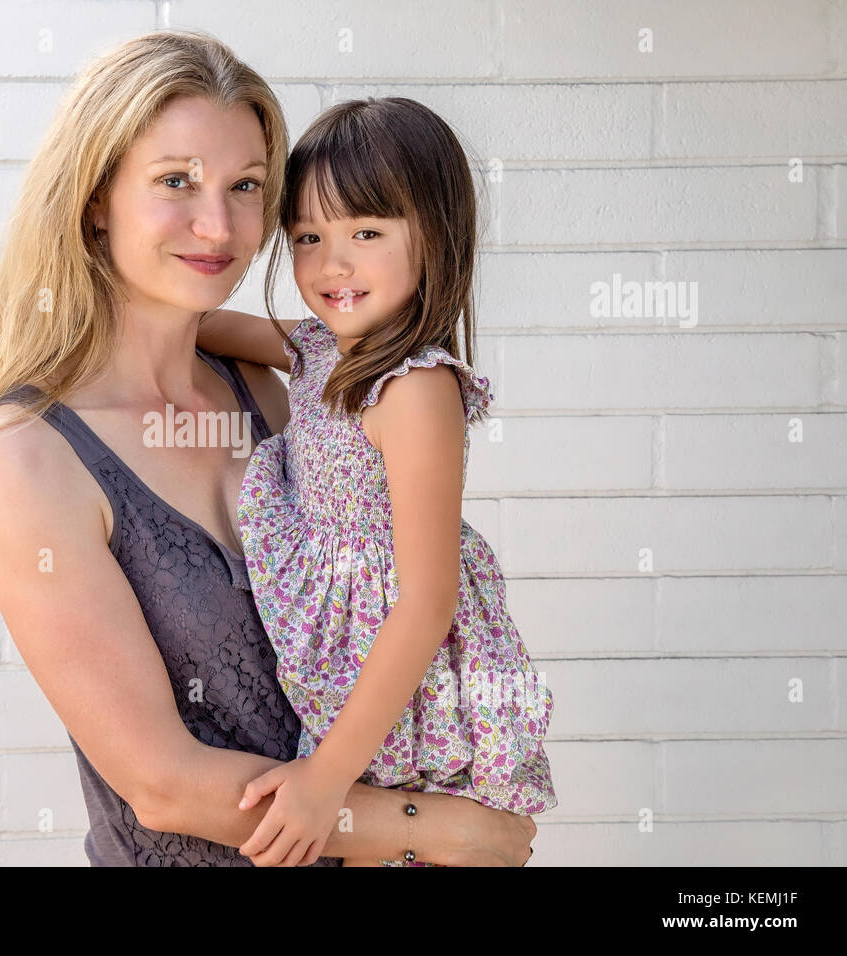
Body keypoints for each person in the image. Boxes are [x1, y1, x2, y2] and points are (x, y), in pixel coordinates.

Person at [0, 30, 536, 866]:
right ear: (95, 196)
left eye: (246, 186)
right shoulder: (27, 453)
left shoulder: (264, 391)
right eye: (175, 181)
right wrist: (437, 829)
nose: (217, 225)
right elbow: (165, 783)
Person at [195, 96, 557, 867]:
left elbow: (427, 602)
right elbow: (200, 326)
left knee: (402, 841)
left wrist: (327, 779)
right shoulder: (322, 346)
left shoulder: (417, 389)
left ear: (435, 236)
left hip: (404, 670)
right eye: (308, 237)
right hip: (343, 653)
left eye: (366, 232)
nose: (333, 264)